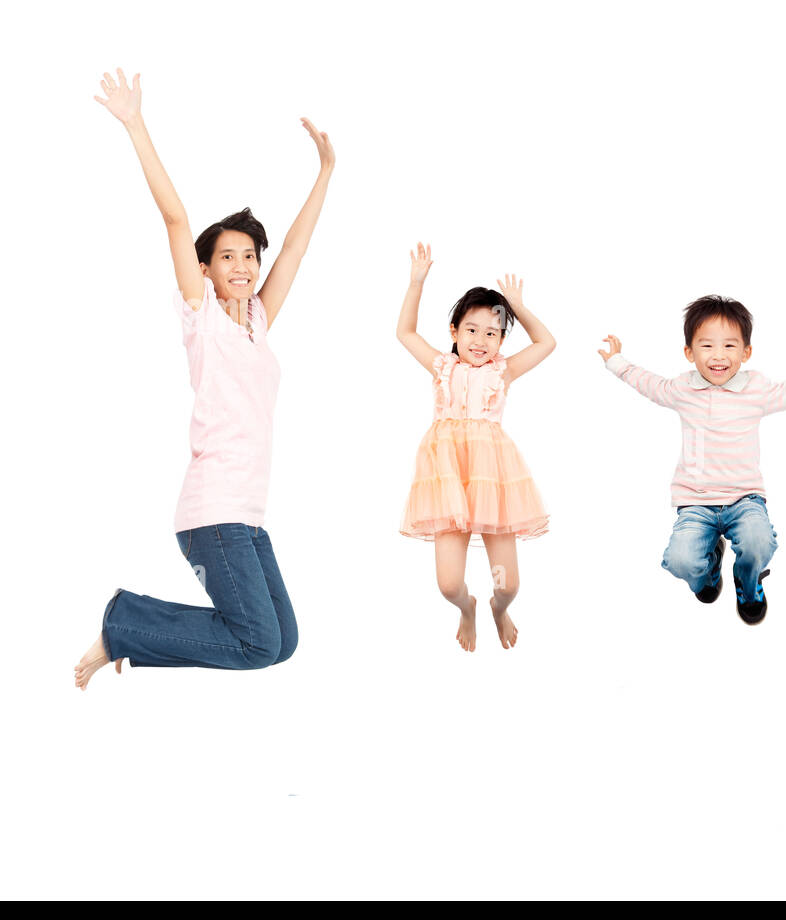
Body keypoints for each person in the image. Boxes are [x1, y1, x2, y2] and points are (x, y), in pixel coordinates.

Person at [74, 69, 335, 689]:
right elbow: (173, 218)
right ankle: (123, 624)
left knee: (282, 644)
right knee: (255, 643)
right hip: (212, 508)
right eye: (227, 257)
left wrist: (324, 173)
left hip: (246, 512)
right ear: (206, 269)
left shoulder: (258, 322)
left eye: (249, 256)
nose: (242, 266)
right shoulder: (204, 319)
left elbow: (295, 251)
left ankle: (128, 628)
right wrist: (136, 125)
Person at [600, 296, 786, 624]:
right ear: (689, 352)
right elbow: (648, 383)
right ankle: (710, 572)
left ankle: (748, 581)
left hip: (744, 498)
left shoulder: (756, 389)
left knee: (759, 543)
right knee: (681, 561)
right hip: (696, 502)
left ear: (745, 352)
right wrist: (617, 362)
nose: (718, 356)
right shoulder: (682, 389)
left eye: (729, 346)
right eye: (707, 345)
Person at [398, 245, 554, 652]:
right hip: (447, 478)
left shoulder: (504, 370)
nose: (481, 340)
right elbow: (405, 333)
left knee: (509, 584)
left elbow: (547, 342)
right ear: (454, 331)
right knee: (448, 584)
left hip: (494, 480)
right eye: (472, 330)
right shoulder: (442, 366)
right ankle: (467, 607)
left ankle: (498, 609)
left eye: (492, 332)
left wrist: (517, 305)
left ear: (501, 339)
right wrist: (416, 282)